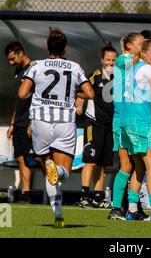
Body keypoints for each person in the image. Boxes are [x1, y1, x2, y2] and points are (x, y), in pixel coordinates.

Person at [18, 27, 94, 228]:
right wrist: (72, 94)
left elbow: (22, 93)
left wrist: (36, 91)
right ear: (66, 48)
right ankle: (58, 172)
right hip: (64, 122)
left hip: (40, 121)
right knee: (63, 174)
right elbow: (91, 93)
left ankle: (58, 214)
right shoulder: (75, 67)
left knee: (47, 167)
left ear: (47, 46)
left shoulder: (36, 65)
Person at [120, 39, 151, 221]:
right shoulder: (148, 69)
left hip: (126, 122)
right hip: (140, 122)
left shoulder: (133, 68)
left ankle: (132, 210)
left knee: (139, 167)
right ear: (144, 53)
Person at [108, 32, 145, 220]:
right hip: (122, 120)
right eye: (141, 43)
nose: (143, 46)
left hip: (136, 119)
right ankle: (116, 207)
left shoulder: (141, 63)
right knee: (126, 165)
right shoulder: (122, 59)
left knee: (139, 165)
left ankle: (132, 208)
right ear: (129, 46)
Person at [77, 45, 118, 208]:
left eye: (114, 60)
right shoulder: (96, 76)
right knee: (91, 160)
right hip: (94, 123)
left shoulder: (119, 78)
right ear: (102, 60)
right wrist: (79, 103)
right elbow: (81, 90)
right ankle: (84, 196)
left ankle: (98, 196)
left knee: (102, 163)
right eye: (108, 60)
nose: (111, 63)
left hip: (110, 125)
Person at [4, 41, 34, 203]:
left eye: (12, 58)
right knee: (21, 158)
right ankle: (25, 193)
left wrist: (33, 122)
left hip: (30, 121)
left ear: (21, 53)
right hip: (19, 122)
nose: (11, 62)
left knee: (38, 158)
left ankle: (54, 188)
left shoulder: (34, 69)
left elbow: (39, 97)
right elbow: (19, 101)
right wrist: (12, 123)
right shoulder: (18, 72)